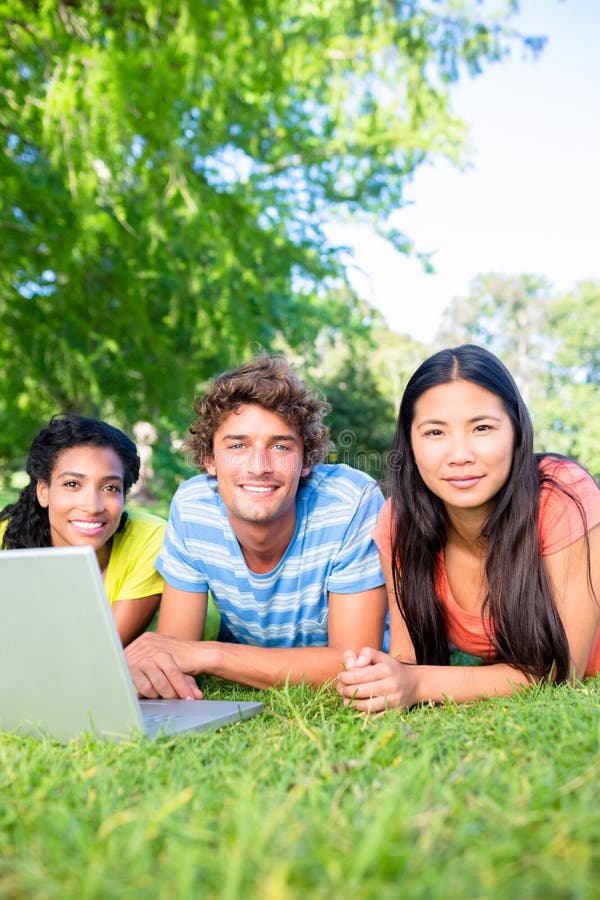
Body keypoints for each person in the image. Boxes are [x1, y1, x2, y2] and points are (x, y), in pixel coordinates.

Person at [337, 344, 600, 712]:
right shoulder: (399, 522)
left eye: (482, 427)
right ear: (409, 444)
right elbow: (408, 657)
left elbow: (560, 671)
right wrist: (382, 678)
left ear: (516, 431)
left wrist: (417, 682)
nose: (460, 455)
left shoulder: (562, 497)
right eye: (434, 433)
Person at [125, 354, 387, 698]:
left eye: (280, 446)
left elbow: (353, 667)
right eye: (237, 446)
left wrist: (211, 654)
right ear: (209, 460)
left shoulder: (349, 502)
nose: (259, 466)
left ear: (305, 459)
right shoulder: (193, 509)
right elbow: (176, 654)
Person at [1, 414, 169, 646]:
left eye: (110, 488)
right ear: (43, 492)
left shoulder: (149, 539)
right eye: (72, 484)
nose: (92, 506)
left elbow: (98, 650)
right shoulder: (6, 536)